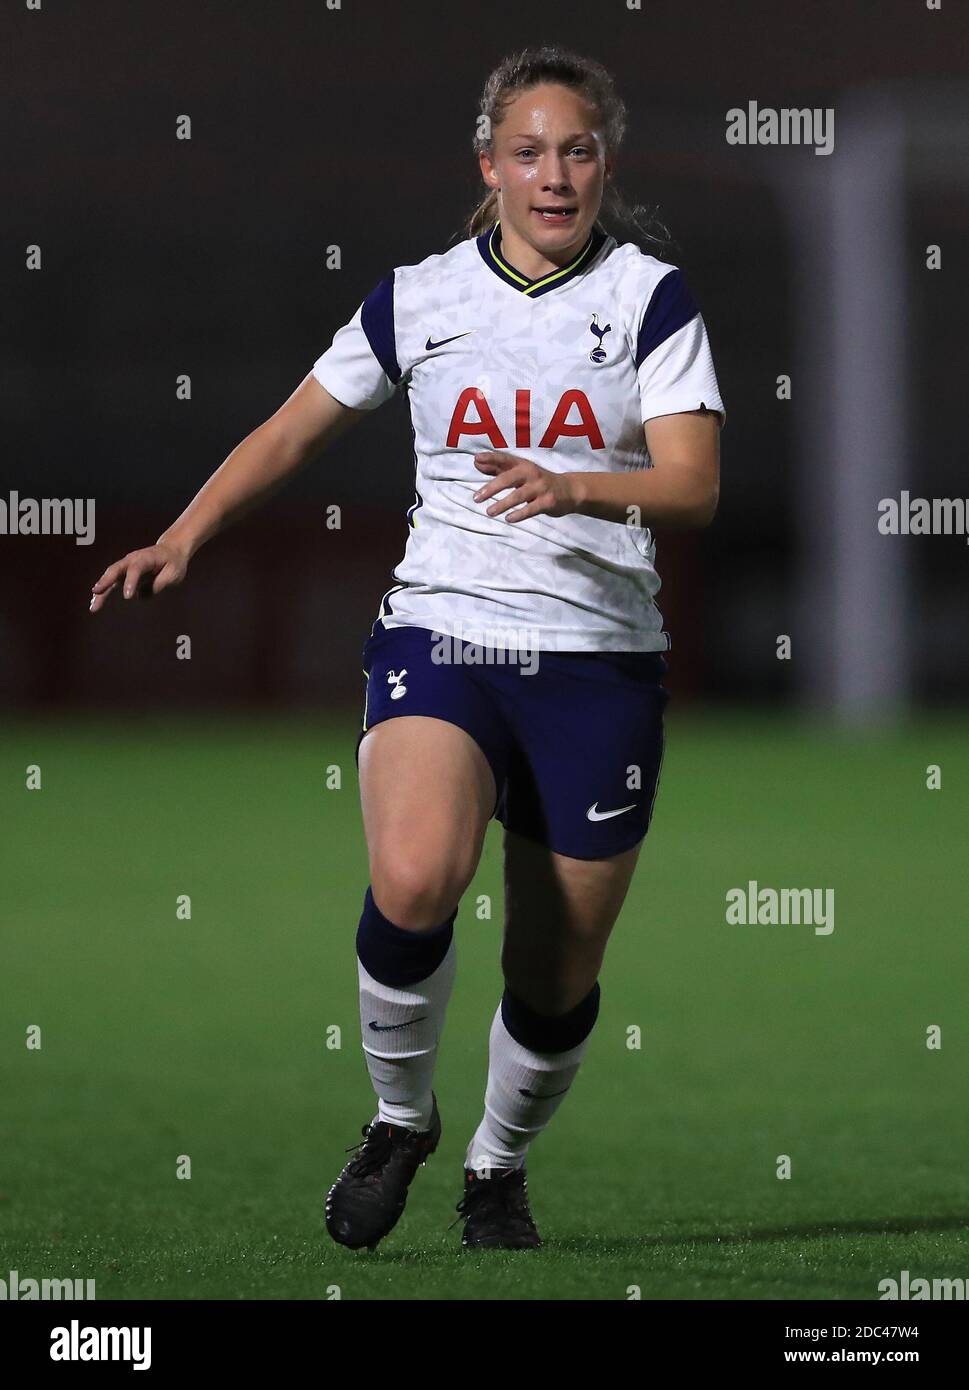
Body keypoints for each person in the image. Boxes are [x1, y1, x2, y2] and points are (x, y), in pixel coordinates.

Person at [90, 45, 725, 1253]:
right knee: (418, 874)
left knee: (553, 974)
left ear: (605, 165)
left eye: (577, 150)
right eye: (528, 152)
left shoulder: (651, 297)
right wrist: (184, 534)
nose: (554, 175)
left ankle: (496, 1166)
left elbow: (690, 485)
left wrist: (576, 486)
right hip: (445, 629)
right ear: (488, 167)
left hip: (598, 662)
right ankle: (397, 1118)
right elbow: (298, 424)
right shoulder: (420, 297)